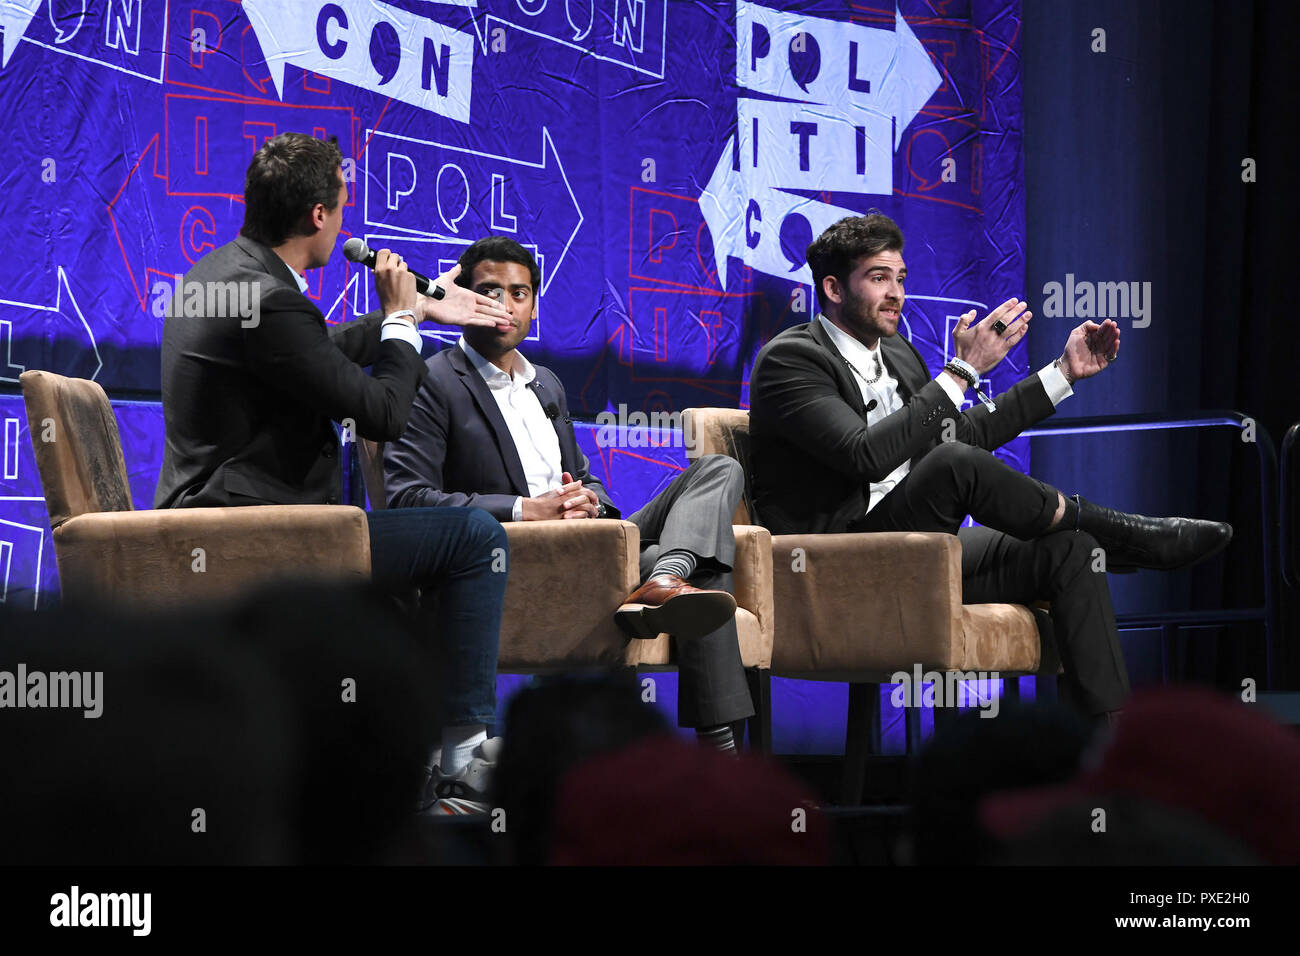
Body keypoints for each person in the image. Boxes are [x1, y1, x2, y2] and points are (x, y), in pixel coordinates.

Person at [154, 132, 514, 813]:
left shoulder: (220, 276)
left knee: (423, 549)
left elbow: (304, 353)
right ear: (319, 217)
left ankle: (410, 750)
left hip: (212, 511)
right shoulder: (270, 298)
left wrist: (401, 316)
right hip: (258, 530)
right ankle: (459, 760)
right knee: (472, 538)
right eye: (343, 208)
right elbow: (382, 412)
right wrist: (405, 322)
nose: (345, 222)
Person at [749, 213, 1232, 720]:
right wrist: (961, 371)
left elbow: (961, 437)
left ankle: (1108, 755)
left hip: (918, 548)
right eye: (878, 278)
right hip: (841, 564)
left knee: (1073, 550)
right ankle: (1130, 535)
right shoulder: (792, 359)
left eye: (900, 278)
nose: (895, 293)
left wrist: (1063, 373)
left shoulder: (898, 355)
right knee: (956, 465)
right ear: (832, 287)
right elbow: (865, 455)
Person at [383, 236, 755, 752]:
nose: (505, 306)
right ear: (461, 297)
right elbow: (406, 501)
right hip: (508, 558)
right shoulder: (432, 379)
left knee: (716, 469)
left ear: (534, 305)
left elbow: (582, 477)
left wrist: (592, 502)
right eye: (489, 291)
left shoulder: (548, 385)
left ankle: (667, 575)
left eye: (519, 294)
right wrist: (524, 511)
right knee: (711, 563)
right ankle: (723, 755)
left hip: (592, 541)